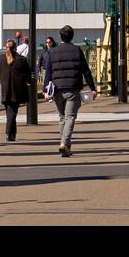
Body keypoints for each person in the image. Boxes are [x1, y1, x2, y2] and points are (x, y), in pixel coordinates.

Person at [44, 24, 96, 157]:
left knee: (62, 117)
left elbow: (48, 73)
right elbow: (86, 71)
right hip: (72, 88)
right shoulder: (77, 50)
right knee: (70, 117)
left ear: (60, 37)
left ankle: (66, 147)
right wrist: (92, 88)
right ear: (72, 37)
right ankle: (64, 142)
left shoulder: (52, 51)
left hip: (57, 89)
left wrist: (46, 90)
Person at [0, 38, 32, 143]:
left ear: (6, 47)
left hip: (3, 89)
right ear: (16, 48)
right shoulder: (21, 59)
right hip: (16, 90)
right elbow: (28, 75)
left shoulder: (0, 59)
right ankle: (9, 132)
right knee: (13, 111)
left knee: (9, 111)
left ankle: (12, 134)